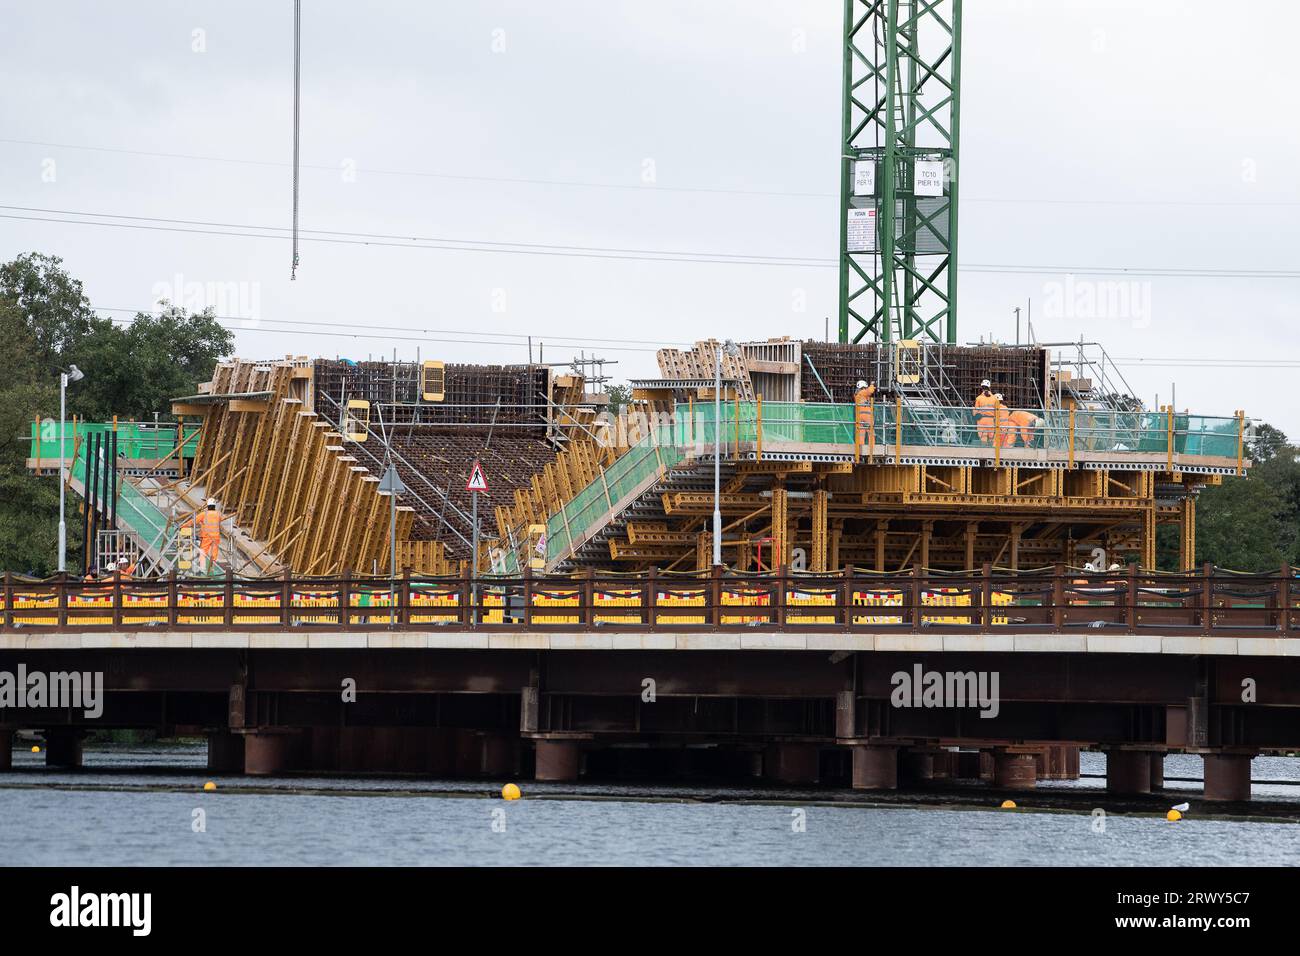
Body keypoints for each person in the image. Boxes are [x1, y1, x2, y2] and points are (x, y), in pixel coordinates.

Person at [182, 497, 222, 570]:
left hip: (207, 537)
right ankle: (212, 568)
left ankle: (202, 568)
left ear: (207, 505)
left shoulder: (204, 514)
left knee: (203, 553)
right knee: (214, 554)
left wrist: (183, 526)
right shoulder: (218, 514)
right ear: (214, 506)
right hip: (216, 537)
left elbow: (193, 521)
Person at [973, 379, 999, 444]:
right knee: (991, 437)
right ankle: (991, 452)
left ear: (982, 387)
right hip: (991, 420)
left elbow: (975, 411)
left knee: (983, 438)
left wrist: (975, 417)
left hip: (981, 420)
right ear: (989, 387)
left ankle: (983, 452)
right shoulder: (995, 398)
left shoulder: (979, 398)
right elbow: (997, 411)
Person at [853, 379, 877, 449]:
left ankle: (860, 447)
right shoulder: (863, 392)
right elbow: (870, 391)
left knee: (861, 433)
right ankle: (872, 448)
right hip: (867, 416)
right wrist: (872, 384)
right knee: (871, 432)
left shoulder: (857, 395)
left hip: (859, 416)